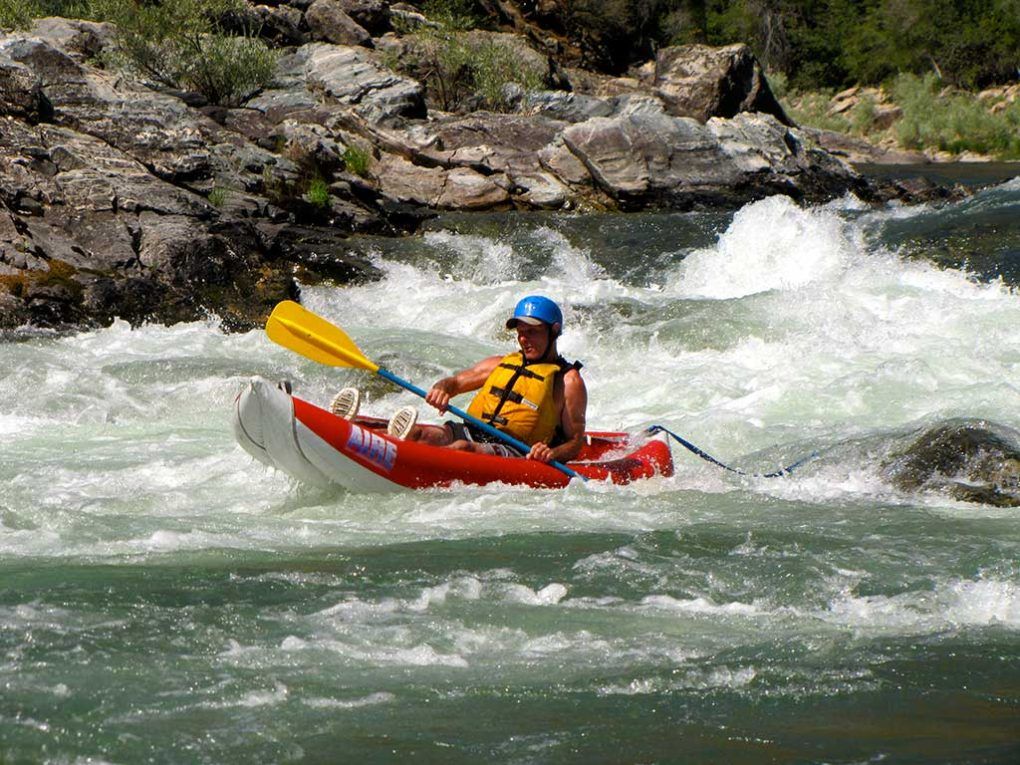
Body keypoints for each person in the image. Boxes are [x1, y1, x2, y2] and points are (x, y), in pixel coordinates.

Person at [333, 296, 587, 463]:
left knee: (464, 449)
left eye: (532, 332)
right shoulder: (500, 363)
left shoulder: (568, 381)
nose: (524, 339)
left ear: (553, 332)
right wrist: (441, 389)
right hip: (472, 429)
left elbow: (575, 441)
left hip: (515, 449)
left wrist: (551, 453)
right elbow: (454, 383)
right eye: (521, 333)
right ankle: (350, 430)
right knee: (421, 433)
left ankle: (404, 460)